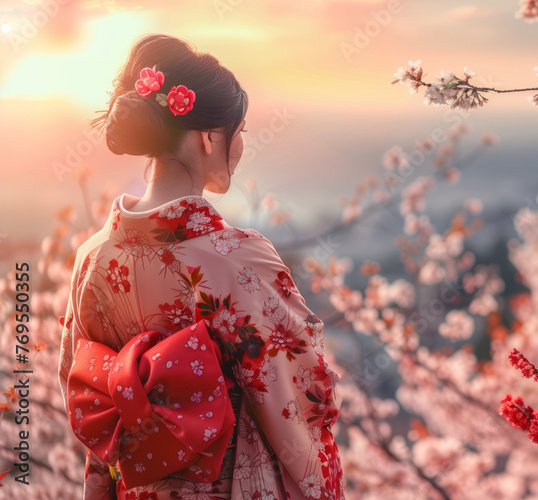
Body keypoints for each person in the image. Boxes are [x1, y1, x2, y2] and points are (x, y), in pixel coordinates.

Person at [57, 34, 345, 500]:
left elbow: (79, 385)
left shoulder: (91, 257)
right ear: (212, 136)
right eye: (240, 131)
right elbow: (302, 403)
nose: (239, 145)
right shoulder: (237, 258)